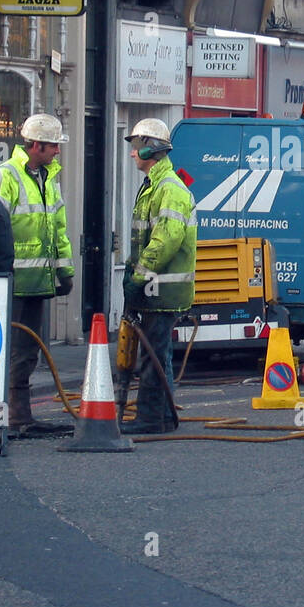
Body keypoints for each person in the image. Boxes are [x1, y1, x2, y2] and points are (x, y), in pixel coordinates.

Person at [0, 114, 75, 434]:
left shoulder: (48, 179)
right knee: (12, 349)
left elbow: (58, 229)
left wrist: (64, 271)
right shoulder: (9, 176)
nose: (57, 151)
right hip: (14, 283)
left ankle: (20, 415)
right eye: (53, 146)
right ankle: (11, 414)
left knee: (28, 351)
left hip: (37, 282)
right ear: (37, 145)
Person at [121, 118, 196, 435]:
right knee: (158, 353)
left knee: (153, 356)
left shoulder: (169, 190)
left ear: (151, 147)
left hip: (162, 289)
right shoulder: (156, 186)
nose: (132, 154)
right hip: (157, 286)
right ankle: (162, 416)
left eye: (136, 147)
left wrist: (136, 280)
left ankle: (151, 418)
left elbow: (164, 242)